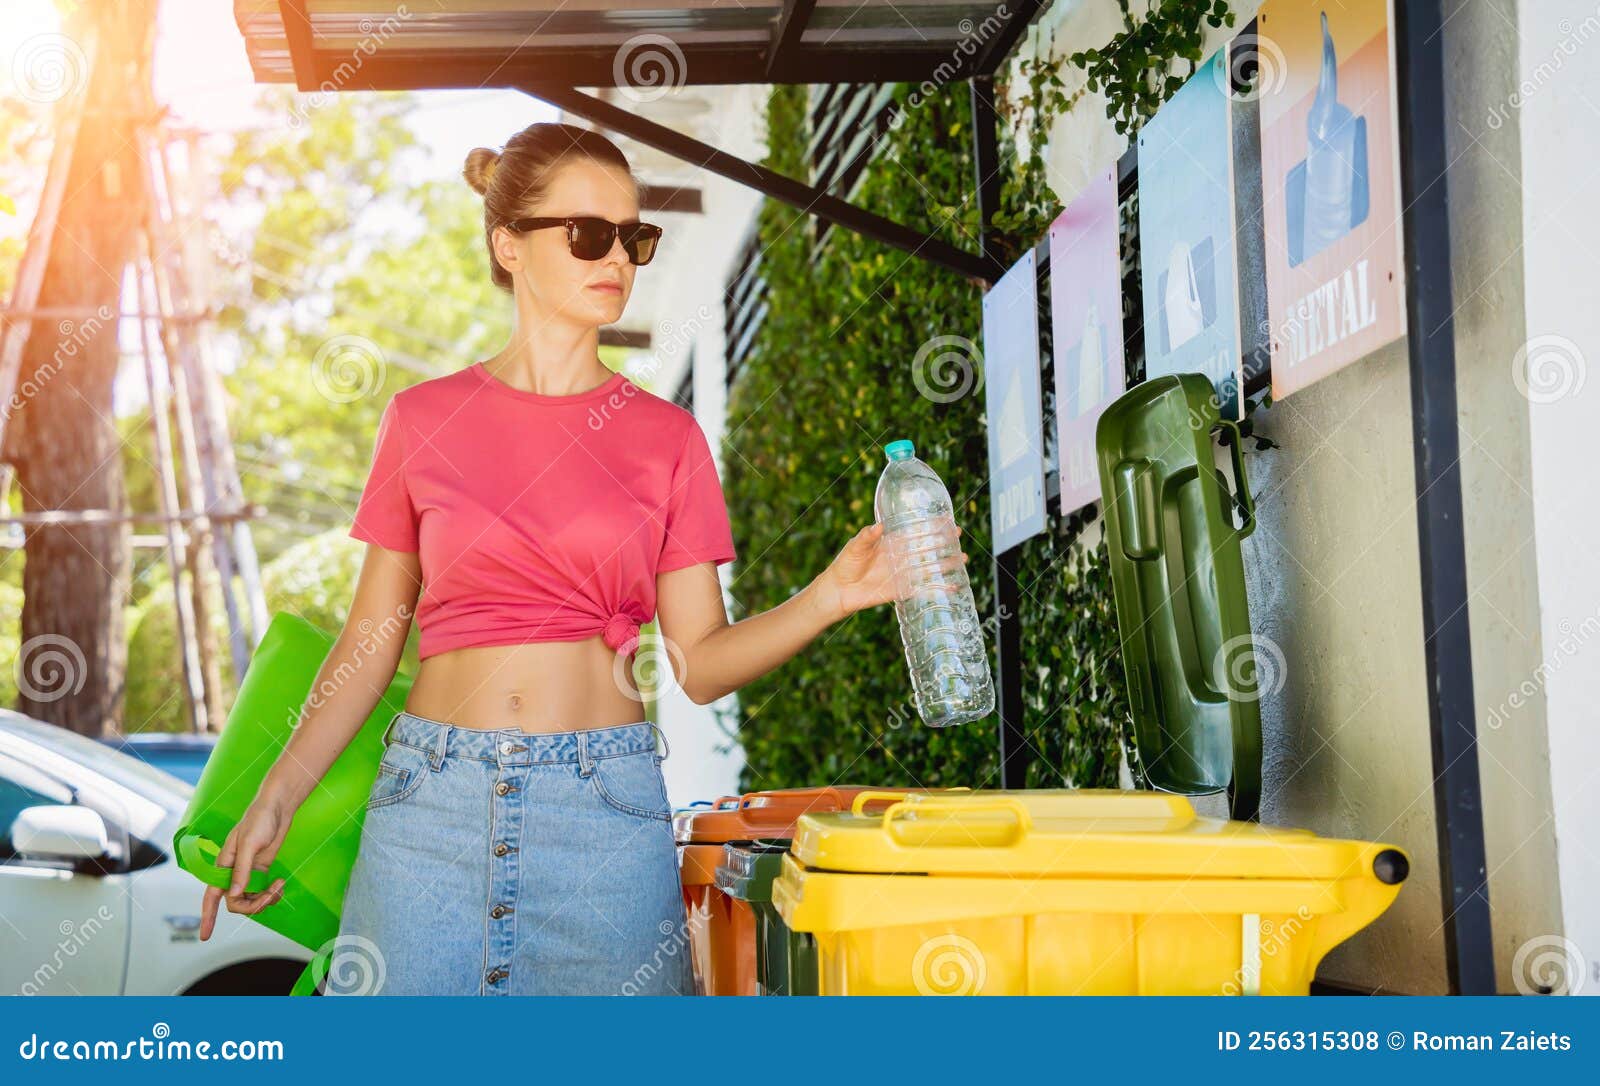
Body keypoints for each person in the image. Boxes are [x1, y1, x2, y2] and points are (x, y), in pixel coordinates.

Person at [195, 122, 966, 995]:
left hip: (606, 813)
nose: (619, 260)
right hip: (428, 810)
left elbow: (701, 663)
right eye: (588, 234)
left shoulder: (665, 440)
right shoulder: (421, 420)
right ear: (508, 245)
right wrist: (278, 793)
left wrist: (830, 595)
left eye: (634, 238)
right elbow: (371, 640)